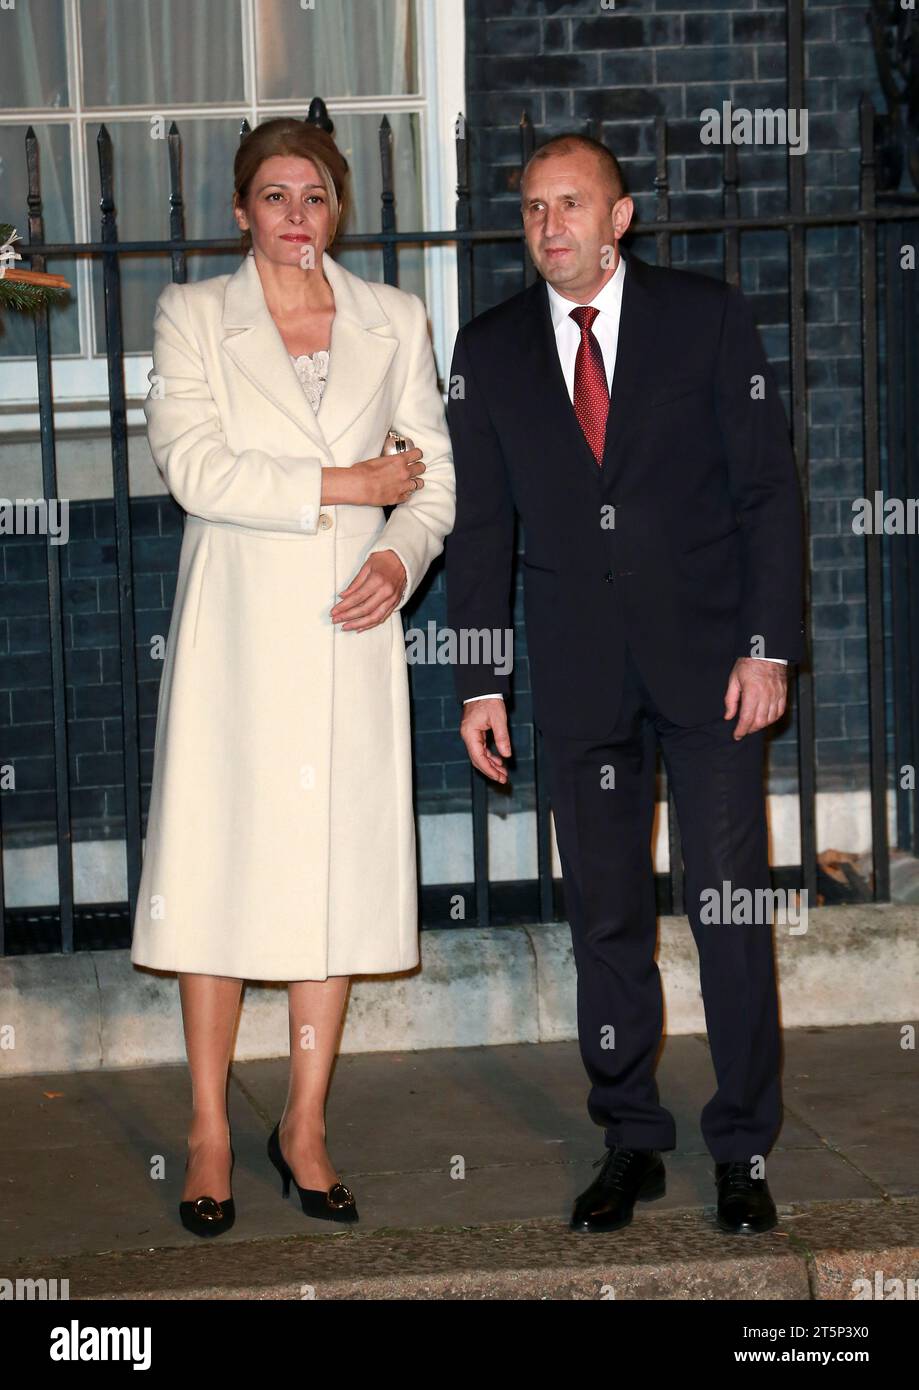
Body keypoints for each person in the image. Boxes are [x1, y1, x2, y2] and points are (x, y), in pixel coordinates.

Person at [445, 134, 805, 1236]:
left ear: (621, 216)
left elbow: (766, 494)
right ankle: (629, 1138)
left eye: (572, 204)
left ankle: (740, 1146)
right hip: (581, 674)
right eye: (532, 209)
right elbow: (480, 534)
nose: (550, 225)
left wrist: (766, 646)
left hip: (709, 673)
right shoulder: (492, 348)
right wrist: (479, 680)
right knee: (605, 920)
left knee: (724, 911)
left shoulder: (704, 319)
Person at [131, 117, 455, 1237]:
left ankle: (304, 1123)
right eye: (274, 197)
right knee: (220, 873)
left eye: (314, 196)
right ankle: (213, 1127)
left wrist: (393, 553)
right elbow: (194, 467)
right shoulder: (191, 317)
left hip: (349, 625)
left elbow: (433, 481)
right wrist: (346, 480)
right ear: (240, 211)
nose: (295, 217)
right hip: (235, 631)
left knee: (334, 883)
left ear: (337, 210)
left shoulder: (395, 320)